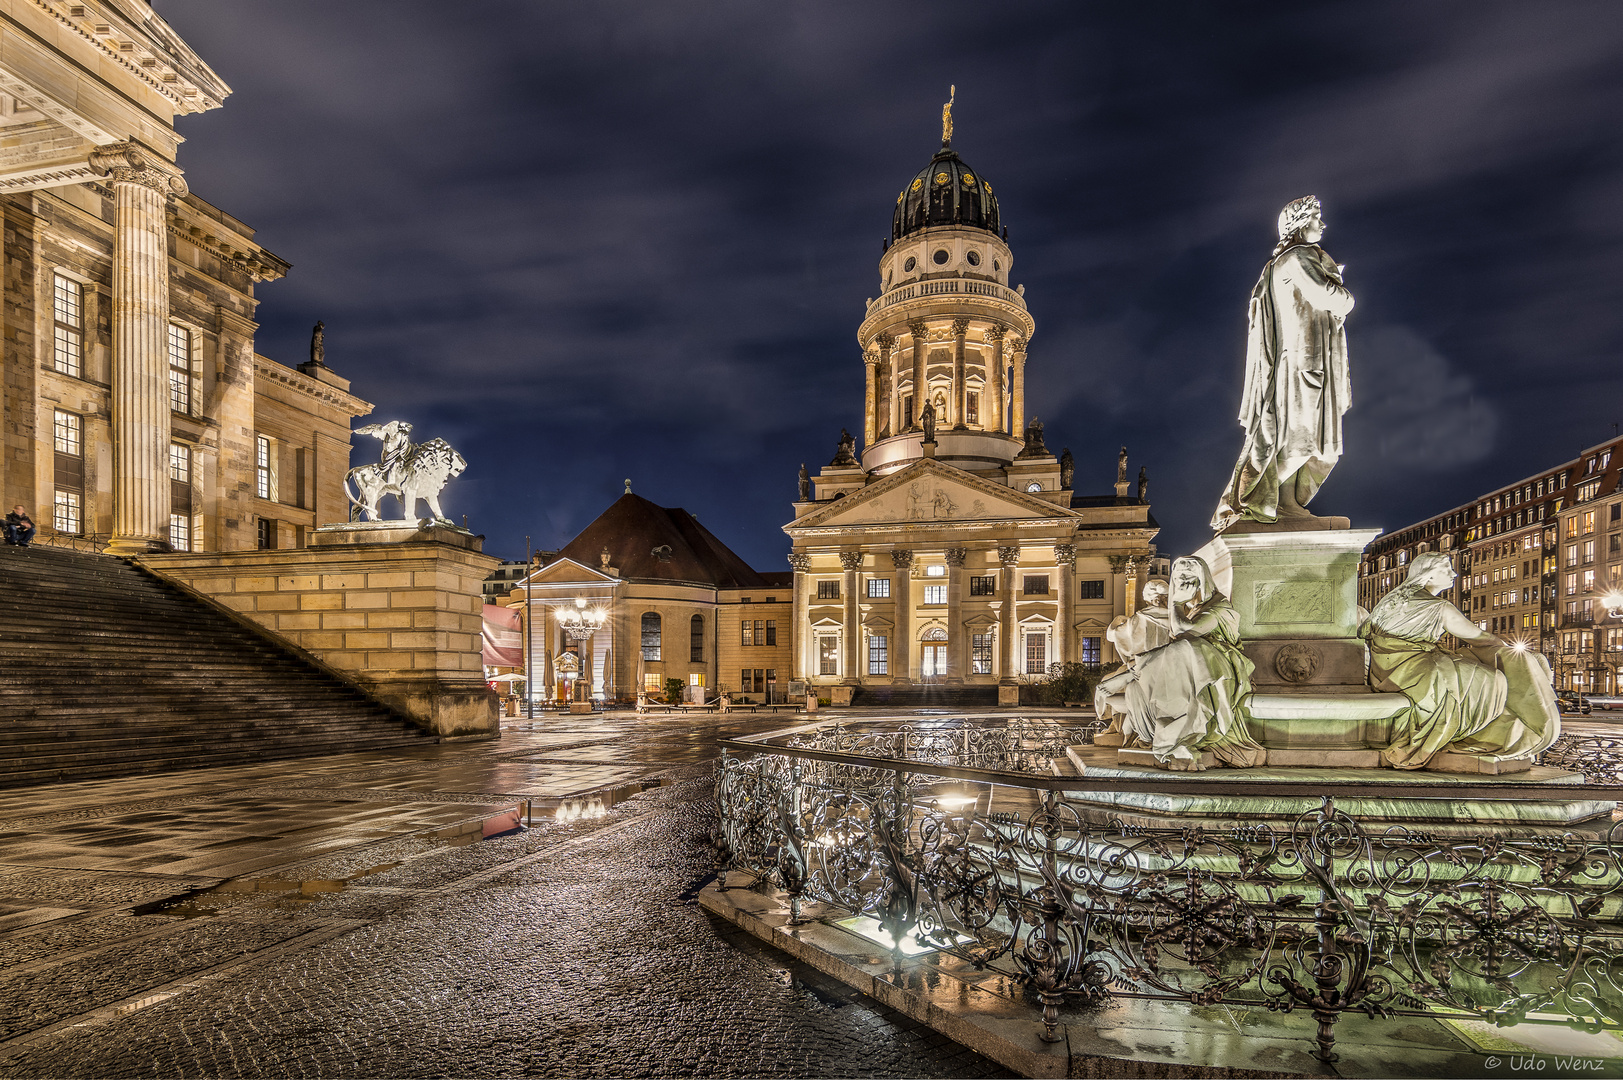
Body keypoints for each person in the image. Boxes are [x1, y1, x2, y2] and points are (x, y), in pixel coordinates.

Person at [1212, 195, 1354, 530]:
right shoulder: (1298, 257)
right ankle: (1246, 499)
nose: (1323, 224)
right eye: (1317, 217)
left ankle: (1283, 502)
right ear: (1299, 222)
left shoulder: (1285, 262)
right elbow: (1331, 297)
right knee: (1306, 440)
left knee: (1300, 441)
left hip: (1305, 359)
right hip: (1305, 360)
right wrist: (1345, 295)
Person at [1367, 552, 1559, 769]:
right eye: (1446, 569)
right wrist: (1514, 653)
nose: (1454, 573)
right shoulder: (1437, 607)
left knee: (1468, 668)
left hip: (1384, 672)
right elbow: (1480, 638)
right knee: (1492, 679)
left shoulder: (1389, 600)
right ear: (1428, 576)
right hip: (1417, 672)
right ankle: (1469, 736)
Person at [1115, 556, 1265, 770]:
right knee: (1153, 677)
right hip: (1195, 664)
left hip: (1219, 667)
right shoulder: (1190, 610)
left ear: (1202, 580)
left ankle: (1179, 737)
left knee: (1187, 649)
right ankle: (1166, 730)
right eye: (1178, 578)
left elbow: (1183, 633)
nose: (1181, 583)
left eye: (1188, 577)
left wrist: (1175, 603)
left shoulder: (1219, 606)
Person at [1094, 579, 1173, 737]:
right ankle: (1120, 728)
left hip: (1143, 669)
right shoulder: (1176, 618)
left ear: (1147, 599)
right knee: (1114, 681)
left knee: (1106, 685)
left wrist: (1117, 621)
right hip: (1168, 669)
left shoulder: (1139, 618)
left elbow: (1112, 635)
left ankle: (1119, 729)